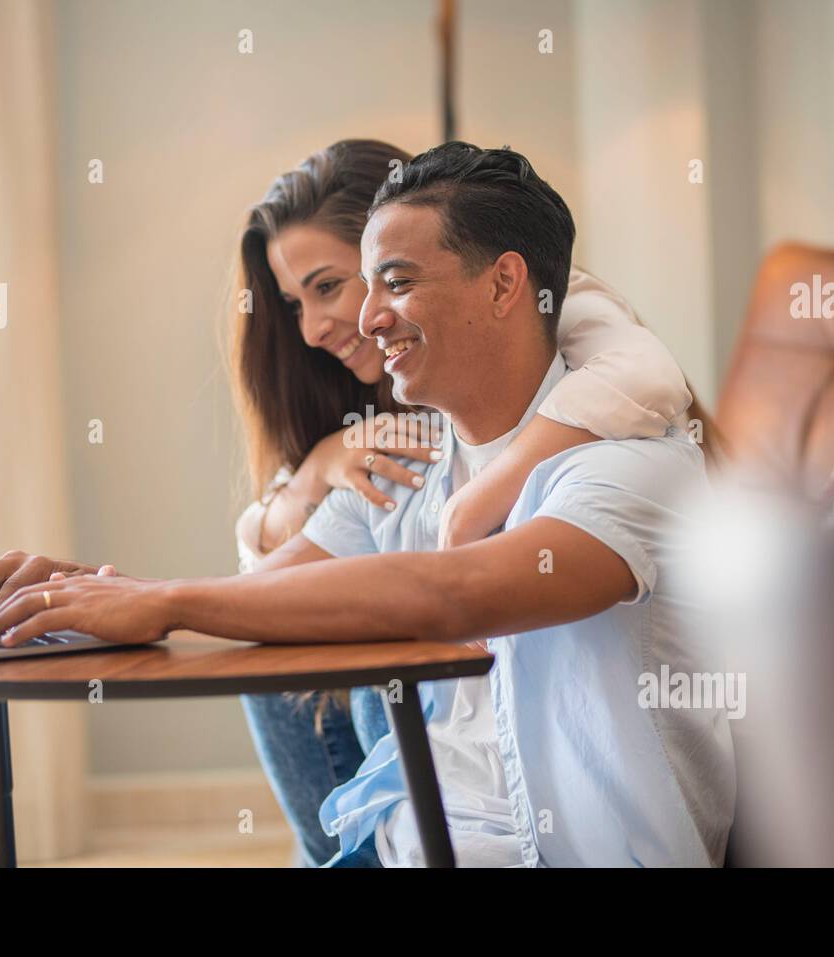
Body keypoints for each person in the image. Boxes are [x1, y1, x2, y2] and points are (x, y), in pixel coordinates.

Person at [0, 142, 735, 867]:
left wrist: (167, 600)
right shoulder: (405, 462)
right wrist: (90, 592)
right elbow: (259, 595)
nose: (359, 320)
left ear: (503, 283)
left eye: (393, 282)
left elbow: (452, 592)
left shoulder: (631, 468)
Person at [225, 139, 706, 864]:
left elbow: (648, 378)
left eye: (331, 287)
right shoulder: (389, 434)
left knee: (374, 651)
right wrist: (314, 471)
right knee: (288, 644)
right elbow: (263, 583)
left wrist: (473, 502)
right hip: (422, 791)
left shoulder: (569, 320)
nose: (314, 328)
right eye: (295, 302)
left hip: (514, 776)